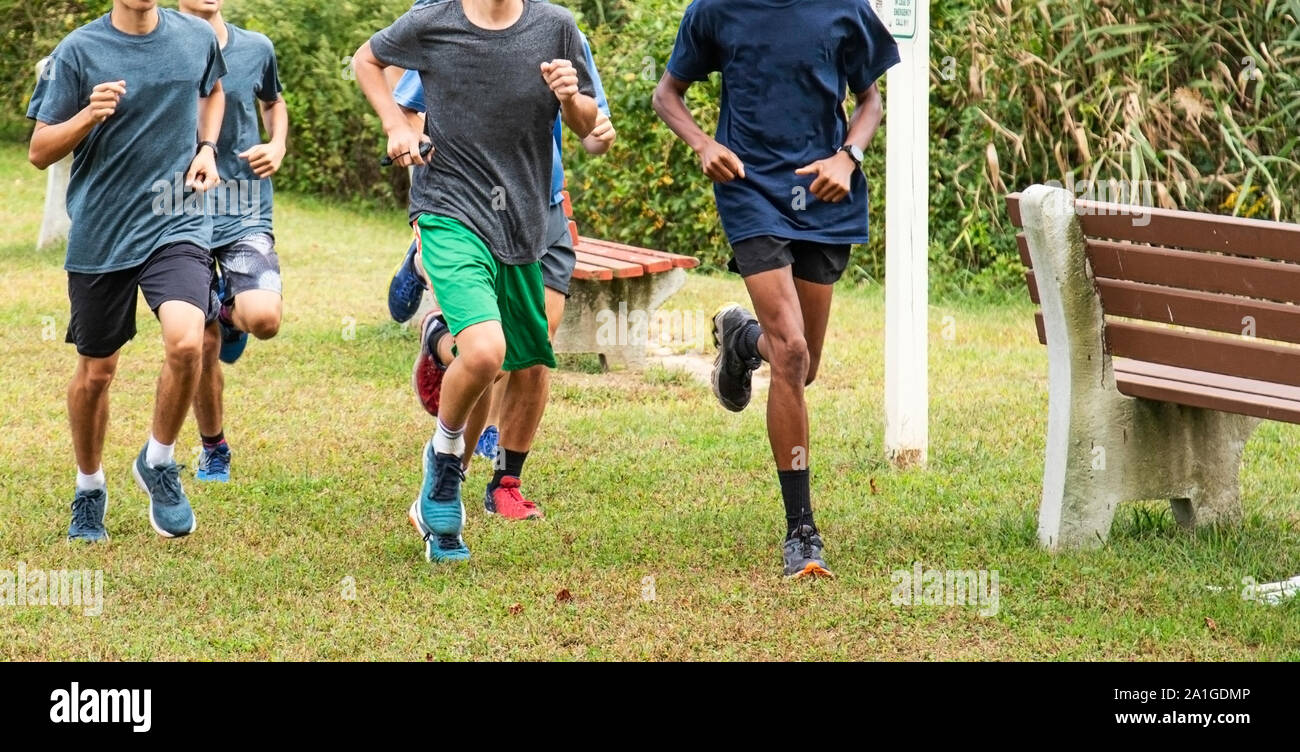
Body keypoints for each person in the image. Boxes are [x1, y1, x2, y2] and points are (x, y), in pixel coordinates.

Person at [653, 0, 898, 578]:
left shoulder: (843, 8)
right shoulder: (713, 9)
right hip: (749, 188)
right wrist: (703, 145)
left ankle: (741, 339)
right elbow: (668, 95)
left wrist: (849, 156)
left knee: (803, 364)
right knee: (791, 353)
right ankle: (802, 532)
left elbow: (870, 99)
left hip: (825, 189)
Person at [354, 0, 598, 563]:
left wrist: (570, 97)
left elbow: (587, 125)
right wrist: (395, 124)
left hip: (525, 221)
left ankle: (457, 481)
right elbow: (366, 60)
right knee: (486, 351)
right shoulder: (434, 20)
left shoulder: (556, 25)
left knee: (518, 355)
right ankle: (443, 465)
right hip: (448, 210)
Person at [27, 0, 227, 541]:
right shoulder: (79, 51)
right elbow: (40, 150)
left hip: (176, 217)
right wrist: (88, 115)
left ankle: (159, 461)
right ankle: (89, 488)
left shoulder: (195, 37)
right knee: (97, 374)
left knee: (188, 344)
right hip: (103, 229)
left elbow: (213, 91)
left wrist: (207, 148)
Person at [178, 0, 289, 484]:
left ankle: (229, 311)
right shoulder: (163, 46)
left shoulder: (256, 47)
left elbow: (273, 102)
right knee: (201, 343)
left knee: (264, 319)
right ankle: (214, 447)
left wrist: (277, 144)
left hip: (245, 206)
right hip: (180, 212)